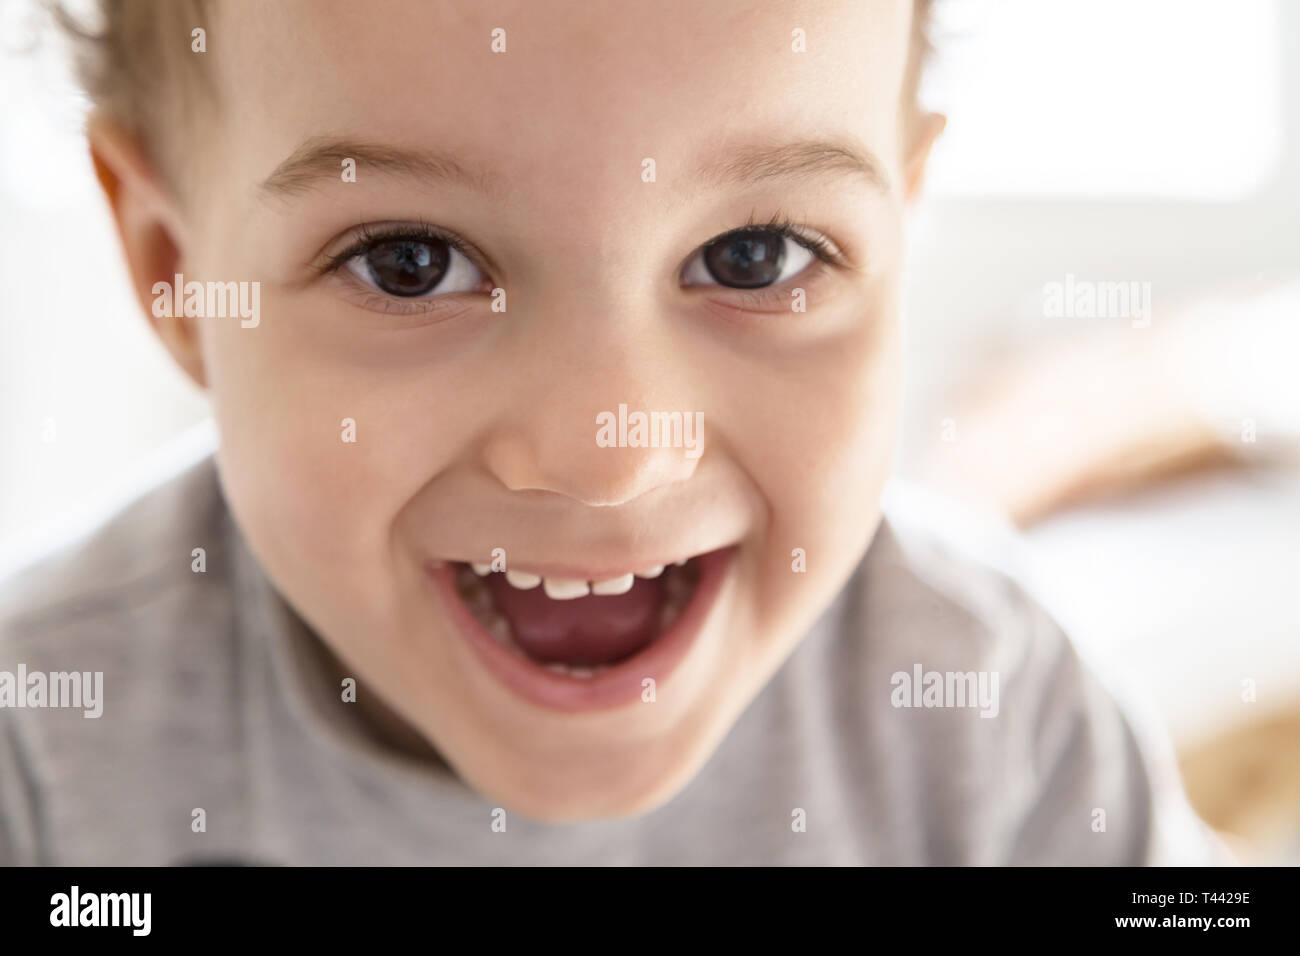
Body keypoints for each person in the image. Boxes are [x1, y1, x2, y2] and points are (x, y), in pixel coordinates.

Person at [0, 0, 1225, 864]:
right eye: (410, 262)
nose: (608, 446)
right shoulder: (45, 756)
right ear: (175, 271)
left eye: (757, 253)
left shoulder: (990, 721)